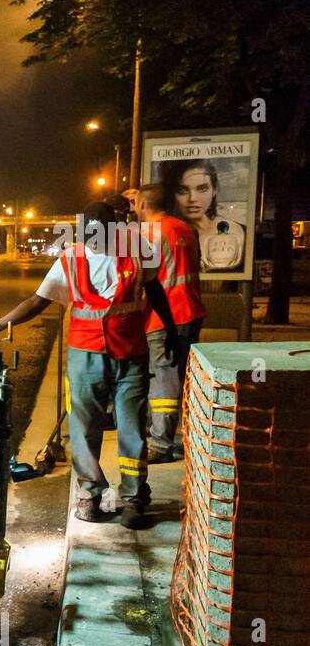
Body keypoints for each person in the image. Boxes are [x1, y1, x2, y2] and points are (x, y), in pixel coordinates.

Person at [0, 202, 181, 528]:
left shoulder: (135, 253)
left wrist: (171, 330)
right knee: (84, 429)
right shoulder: (71, 259)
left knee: (131, 429)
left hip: (130, 355)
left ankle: (133, 498)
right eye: (88, 231)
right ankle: (90, 495)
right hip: (86, 354)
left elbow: (155, 290)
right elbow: (37, 301)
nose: (93, 238)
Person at [137, 182, 206, 462]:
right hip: (191, 312)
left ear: (143, 205)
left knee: (164, 379)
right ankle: (180, 436)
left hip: (163, 318)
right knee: (182, 377)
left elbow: (143, 280)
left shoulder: (148, 235)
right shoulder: (187, 229)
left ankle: (161, 444)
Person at [159, 159, 246, 272]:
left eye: (202, 189)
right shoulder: (161, 234)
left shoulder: (240, 232)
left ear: (214, 190)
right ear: (172, 194)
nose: (193, 198)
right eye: (182, 190)